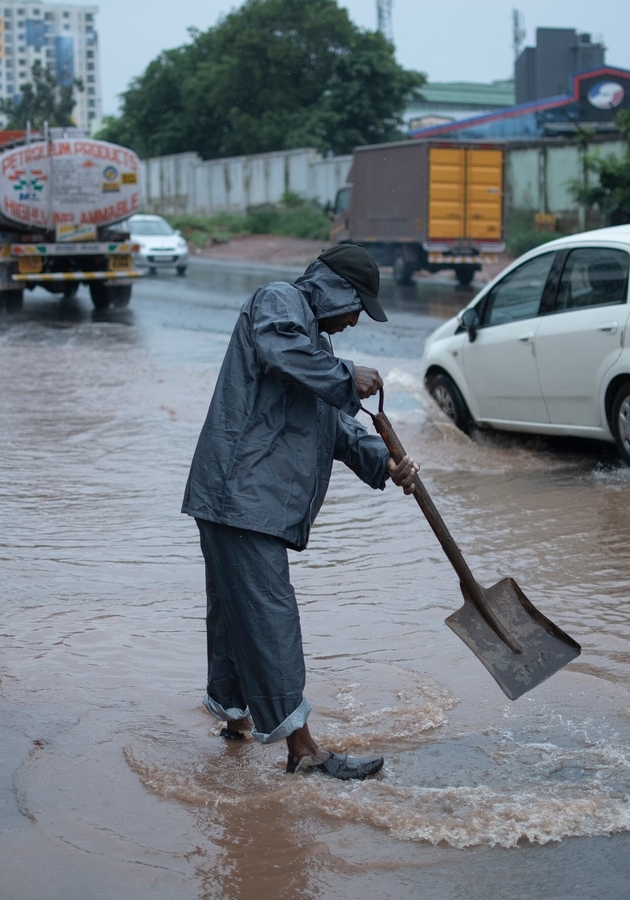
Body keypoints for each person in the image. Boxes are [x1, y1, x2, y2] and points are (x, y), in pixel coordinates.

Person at [182, 243, 419, 781]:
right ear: (335, 290)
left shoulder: (316, 352)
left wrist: (386, 463)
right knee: (269, 616)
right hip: (241, 495)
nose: (355, 321)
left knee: (235, 613)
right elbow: (280, 349)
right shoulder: (280, 302)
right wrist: (347, 374)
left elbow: (337, 427)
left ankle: (236, 721)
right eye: (356, 307)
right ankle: (304, 750)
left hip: (239, 498)